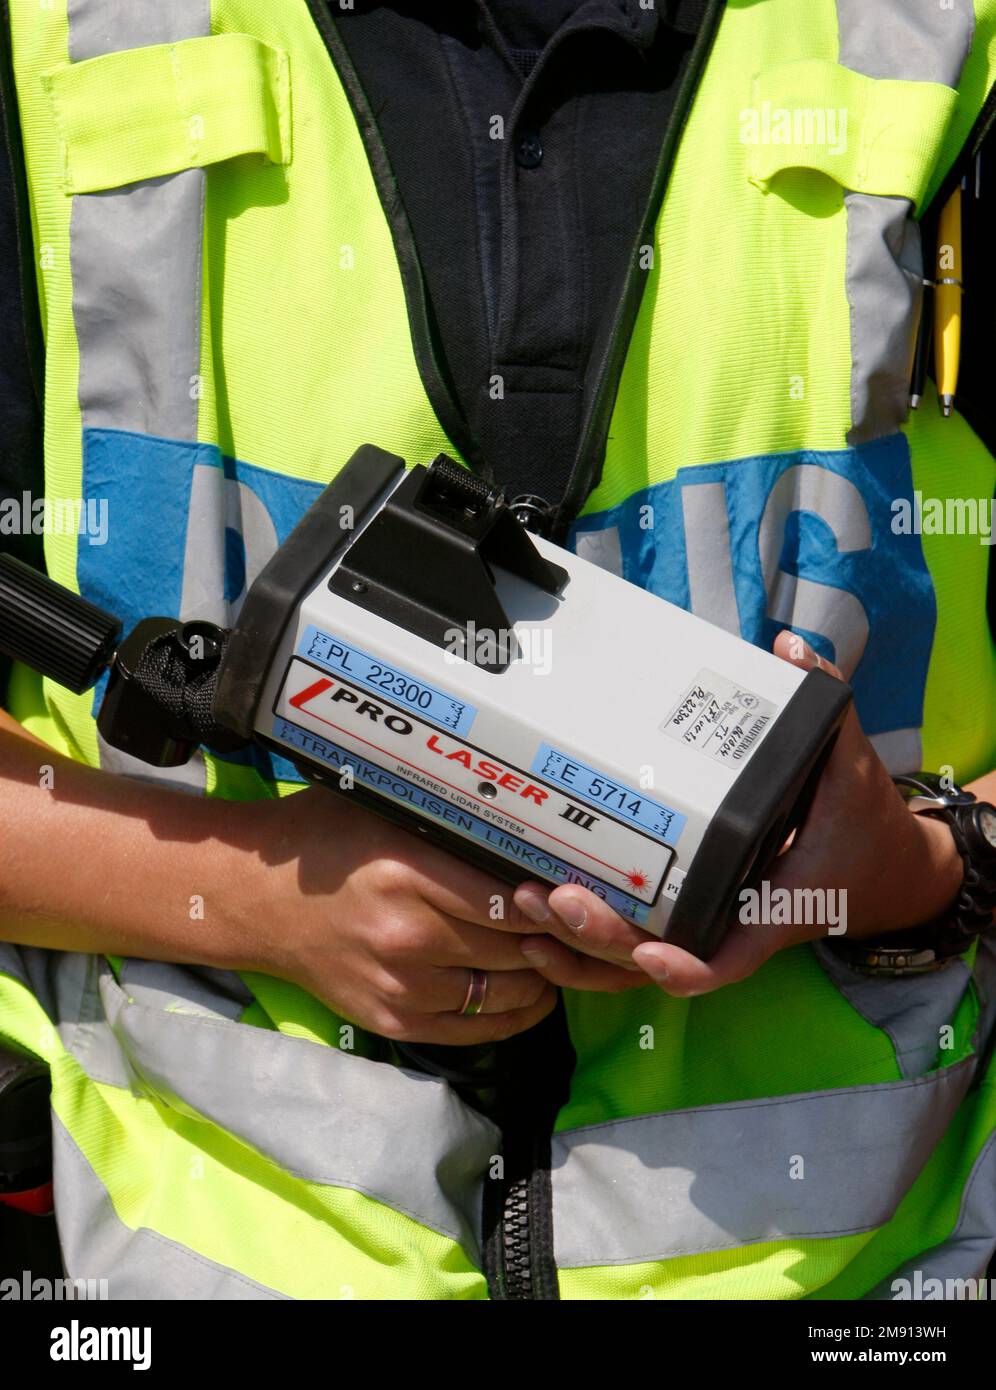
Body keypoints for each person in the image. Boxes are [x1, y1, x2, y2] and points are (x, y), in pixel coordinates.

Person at [0, 0, 995, 1301]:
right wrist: (263, 898)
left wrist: (923, 863)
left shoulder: (934, 51)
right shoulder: (67, 50)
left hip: (862, 1272)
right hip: (200, 1258)